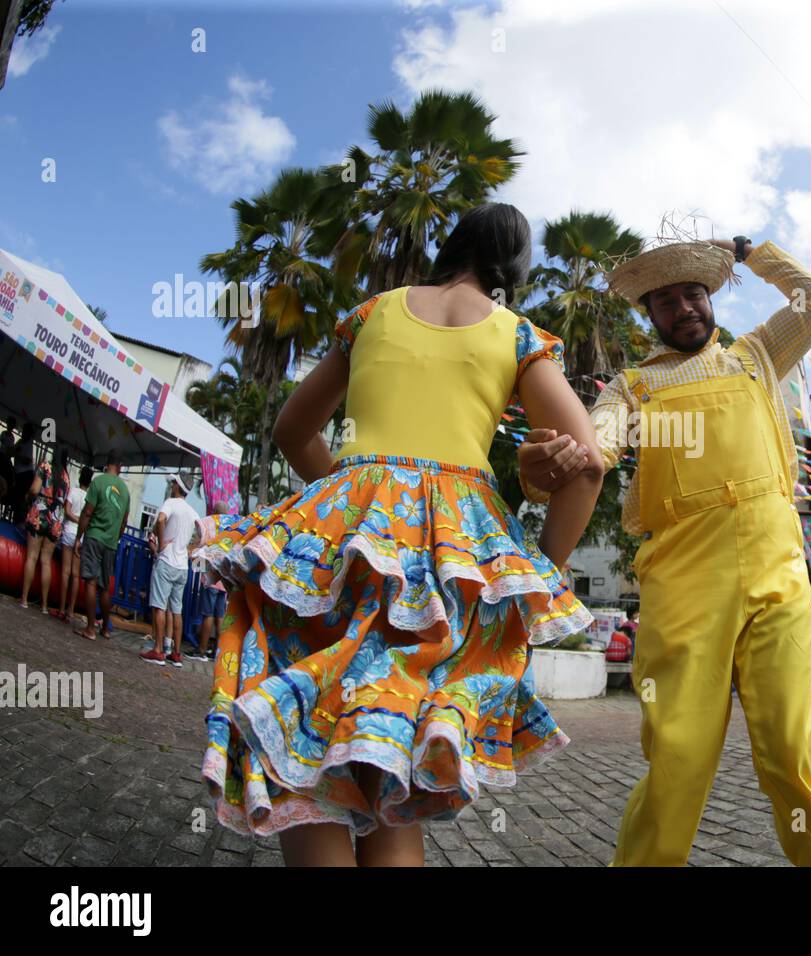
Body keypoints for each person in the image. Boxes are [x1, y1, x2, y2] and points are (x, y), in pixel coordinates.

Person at [191, 203, 602, 867]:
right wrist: (537, 576)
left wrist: (350, 515)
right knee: (390, 760)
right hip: (453, 554)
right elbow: (589, 464)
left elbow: (293, 432)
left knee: (311, 758)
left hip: (342, 525)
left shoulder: (372, 312)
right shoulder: (518, 334)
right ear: (512, 268)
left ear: (454, 246)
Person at [516, 233, 811, 867]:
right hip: (683, 587)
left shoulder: (759, 356)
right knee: (678, 756)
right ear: (648, 315)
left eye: (694, 294)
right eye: (665, 301)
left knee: (796, 748)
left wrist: (747, 251)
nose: (684, 308)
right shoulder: (629, 390)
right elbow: (596, 450)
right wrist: (552, 463)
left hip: (779, 575)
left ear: (710, 300)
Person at [140, 475, 201, 668]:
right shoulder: (193, 512)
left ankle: (158, 651)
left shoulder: (170, 503)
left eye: (173, 482)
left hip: (166, 561)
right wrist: (191, 549)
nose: (171, 485)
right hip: (182, 566)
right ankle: (176, 653)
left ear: (177, 486)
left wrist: (162, 541)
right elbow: (203, 535)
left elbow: (160, 520)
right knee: (177, 610)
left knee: (159, 606)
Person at [72, 449, 130, 641]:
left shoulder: (98, 481)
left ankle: (90, 628)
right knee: (105, 587)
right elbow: (123, 523)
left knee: (90, 582)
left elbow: (87, 512)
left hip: (94, 537)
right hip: (111, 543)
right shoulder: (125, 491)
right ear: (120, 467)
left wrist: (79, 537)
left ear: (107, 464)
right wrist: (115, 538)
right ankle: (105, 628)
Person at [18, 445, 70, 613]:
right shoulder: (66, 477)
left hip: (40, 514)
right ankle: (45, 606)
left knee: (32, 557)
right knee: (46, 561)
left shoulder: (45, 467)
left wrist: (27, 497)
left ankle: (24, 599)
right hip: (56, 520)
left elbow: (34, 489)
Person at [186, 500, 230, 663]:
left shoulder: (210, 525)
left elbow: (200, 547)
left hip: (211, 577)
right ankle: (218, 652)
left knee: (207, 615)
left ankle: (202, 650)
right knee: (220, 617)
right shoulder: (230, 528)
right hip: (224, 580)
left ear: (214, 511)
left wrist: (193, 560)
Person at [53, 466, 93, 621]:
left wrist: (76, 519)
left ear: (80, 477)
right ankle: (71, 609)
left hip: (69, 532)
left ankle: (62, 608)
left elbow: (67, 512)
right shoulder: (90, 497)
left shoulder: (73, 492)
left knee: (65, 571)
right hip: (81, 536)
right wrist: (82, 522)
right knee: (76, 575)